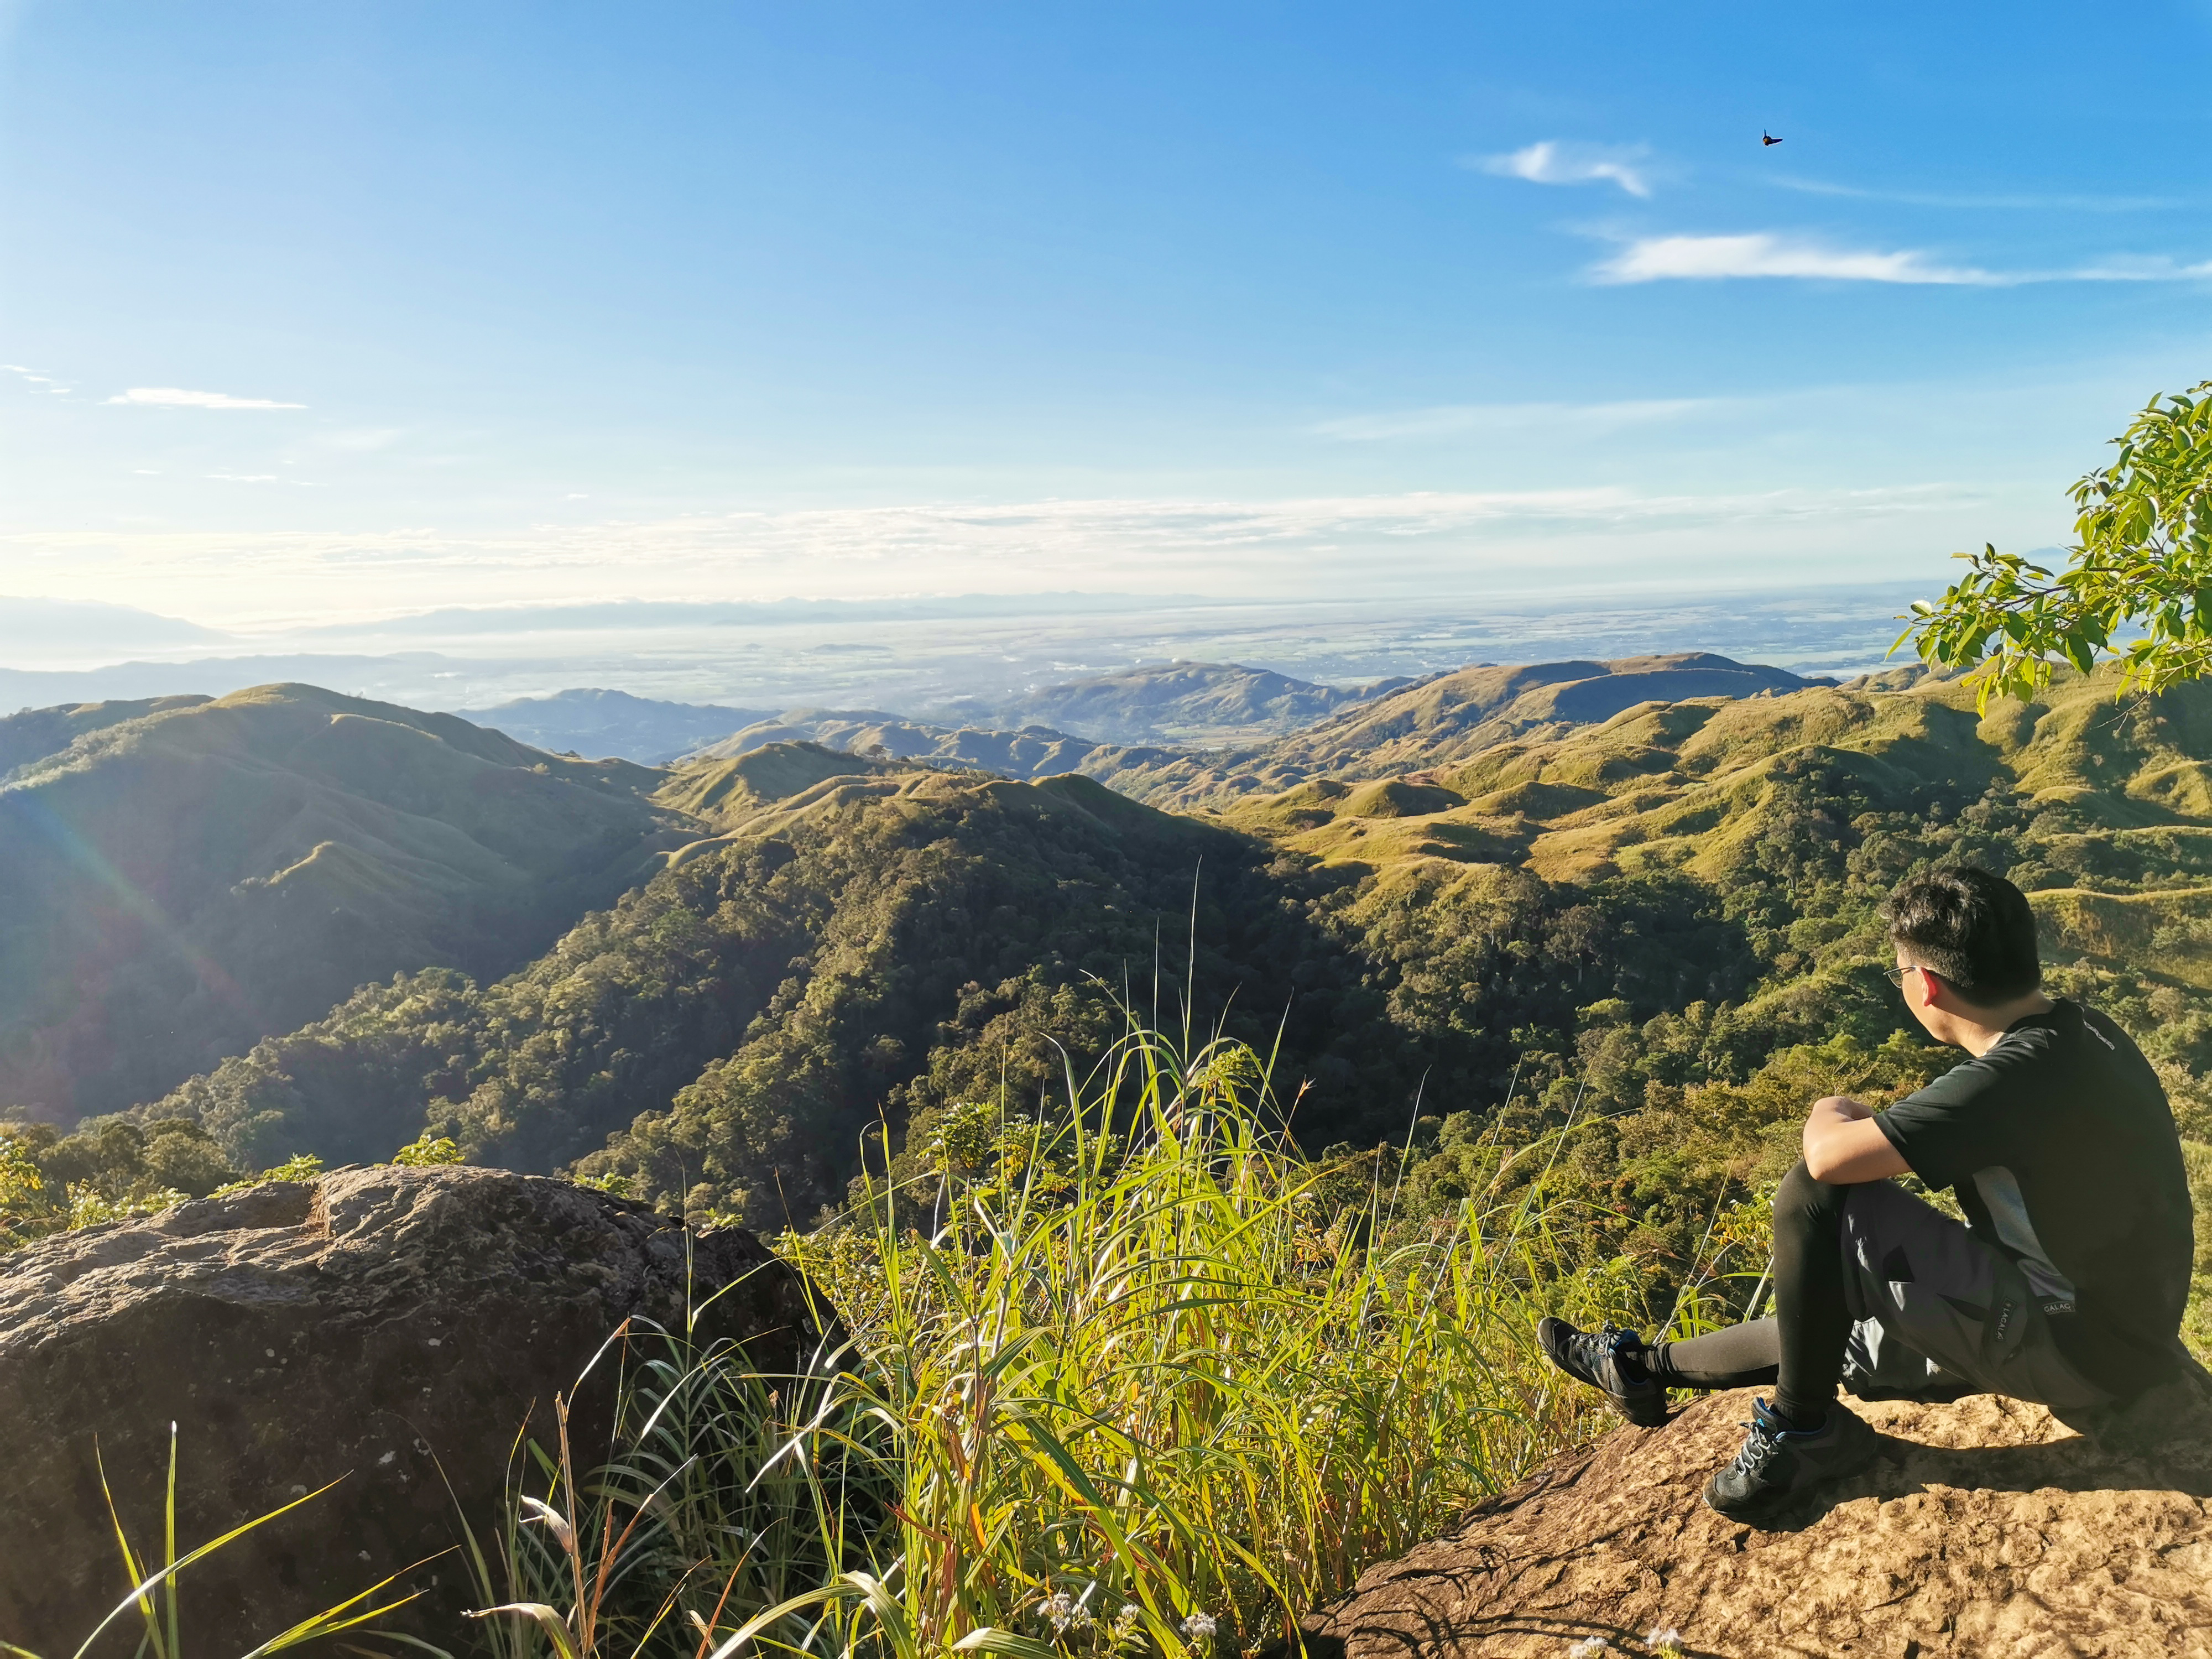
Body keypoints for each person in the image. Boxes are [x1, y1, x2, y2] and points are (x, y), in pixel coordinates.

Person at [1538, 865, 2200, 1526]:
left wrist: (1832, 1106)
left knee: (1815, 1193)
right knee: (1833, 1334)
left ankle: (1804, 1427)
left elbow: (1827, 1159)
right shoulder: (2087, 1030)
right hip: (2125, 1333)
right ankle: (1641, 1368)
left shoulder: (2007, 1081)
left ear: (1926, 985)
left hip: (2073, 1347)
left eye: (1899, 972)